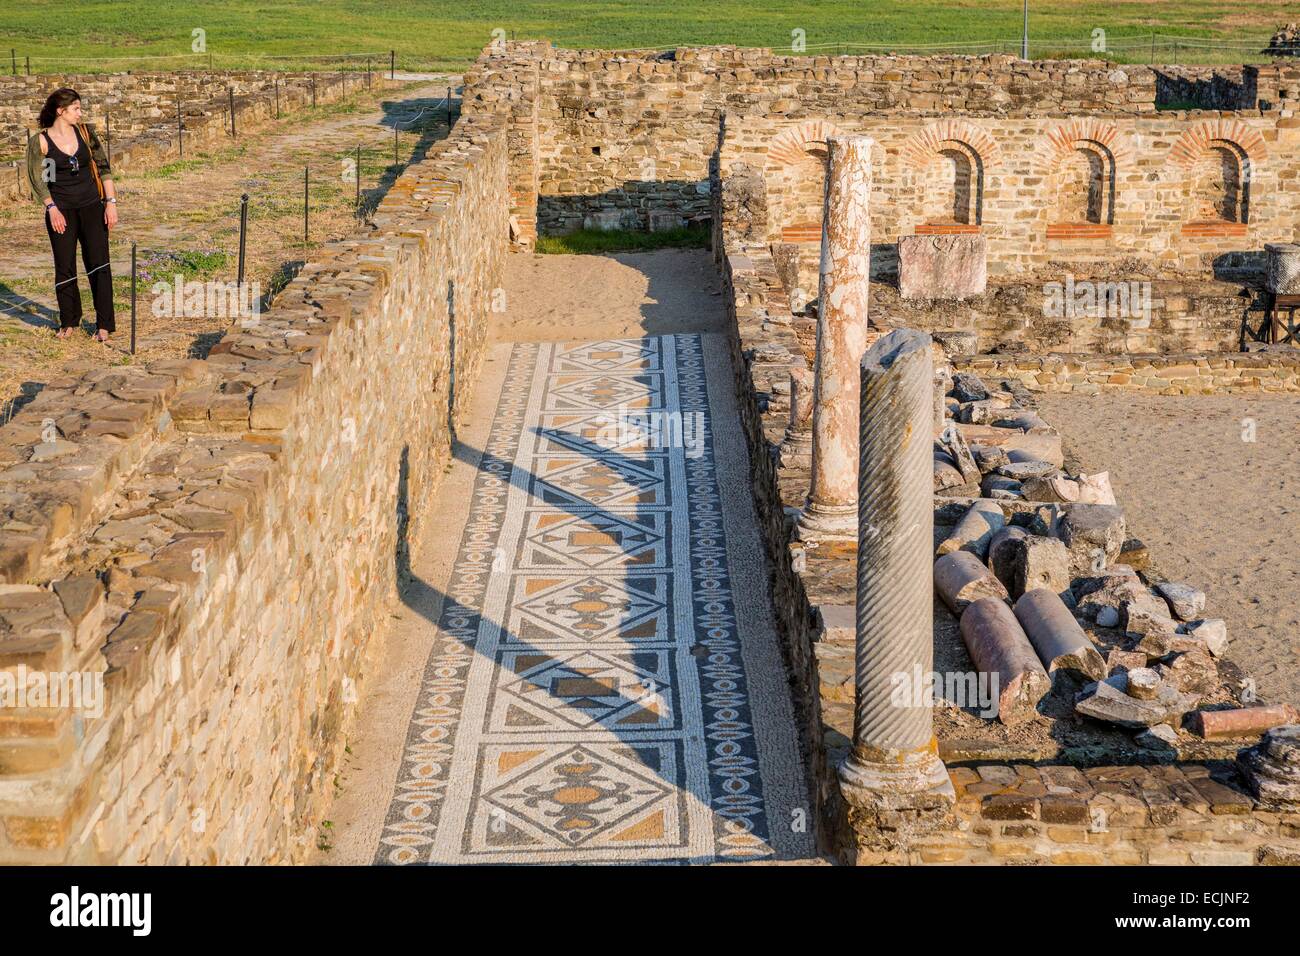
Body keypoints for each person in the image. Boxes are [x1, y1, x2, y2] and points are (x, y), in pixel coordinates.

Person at [25, 88, 118, 342]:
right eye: (76, 108)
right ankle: (69, 321)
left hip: (92, 207)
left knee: (99, 264)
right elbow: (38, 180)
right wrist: (51, 208)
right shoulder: (41, 141)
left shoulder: (85, 133)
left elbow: (104, 168)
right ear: (60, 111)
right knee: (64, 266)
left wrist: (110, 203)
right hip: (61, 211)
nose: (80, 113)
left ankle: (104, 324)